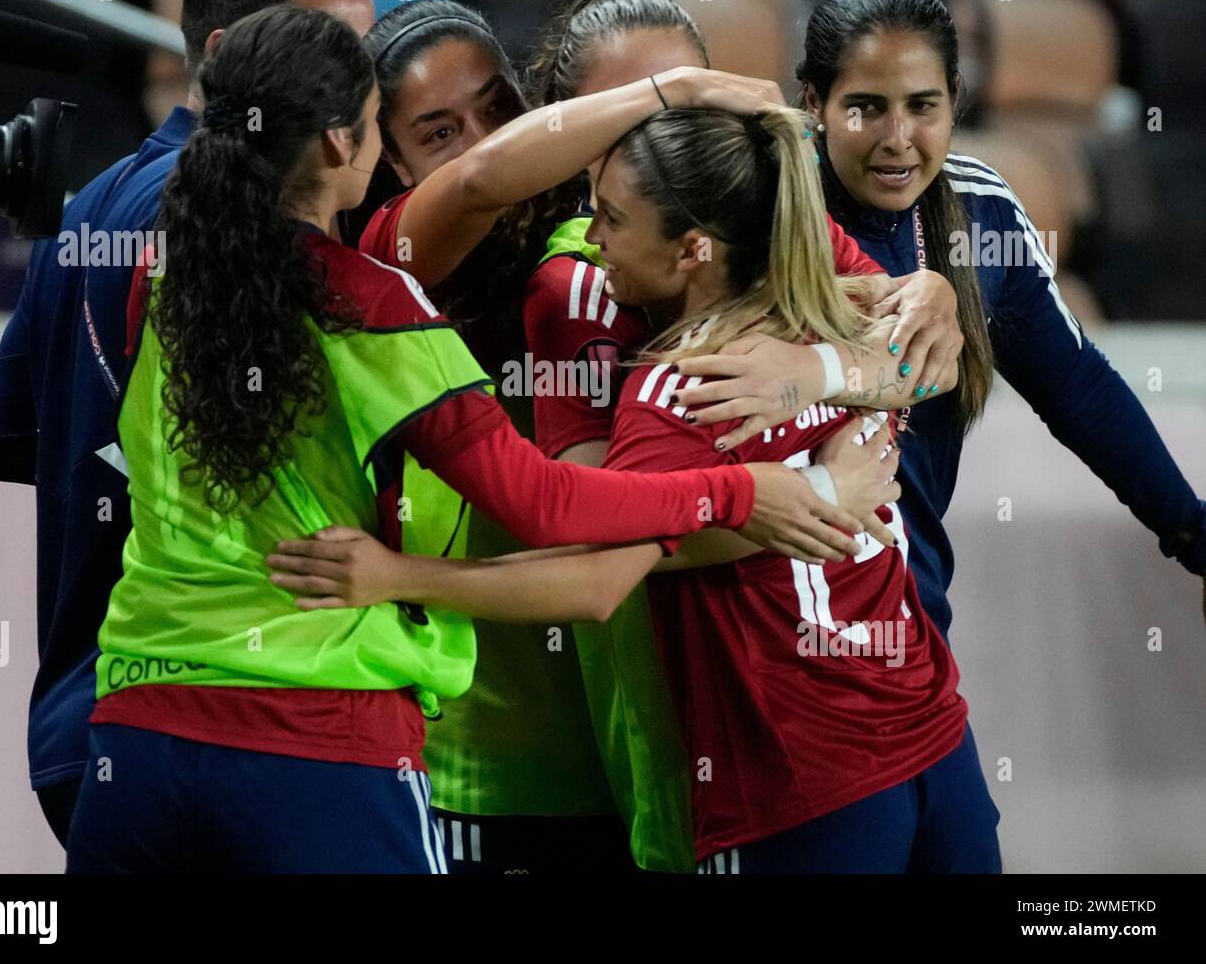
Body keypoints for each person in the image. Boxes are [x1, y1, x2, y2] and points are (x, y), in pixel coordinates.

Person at [64, 2, 851, 873]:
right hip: (322, 725)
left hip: (136, 726)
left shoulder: (162, 272)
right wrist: (740, 490)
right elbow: (549, 503)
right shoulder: (377, 303)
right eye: (397, 126)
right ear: (349, 145)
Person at [268, 102, 1002, 874]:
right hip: (933, 735)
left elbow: (593, 576)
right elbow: (935, 363)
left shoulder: (679, 391)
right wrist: (816, 450)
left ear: (692, 249)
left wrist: (398, 577)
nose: (592, 238)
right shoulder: (841, 310)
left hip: (801, 777)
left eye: (613, 219)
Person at [0, 0, 376, 849]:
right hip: (220, 728)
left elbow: (13, 441)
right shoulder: (241, 218)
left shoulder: (86, 205)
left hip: (92, 734)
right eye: (329, 55)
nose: (360, 92)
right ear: (227, 55)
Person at [671, 0, 1206, 634]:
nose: (898, 137)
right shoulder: (747, 208)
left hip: (909, 635)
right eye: (866, 106)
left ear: (957, 101)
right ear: (814, 102)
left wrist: (1192, 531)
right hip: (749, 641)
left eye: (923, 106)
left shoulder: (981, 216)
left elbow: (1080, 388)